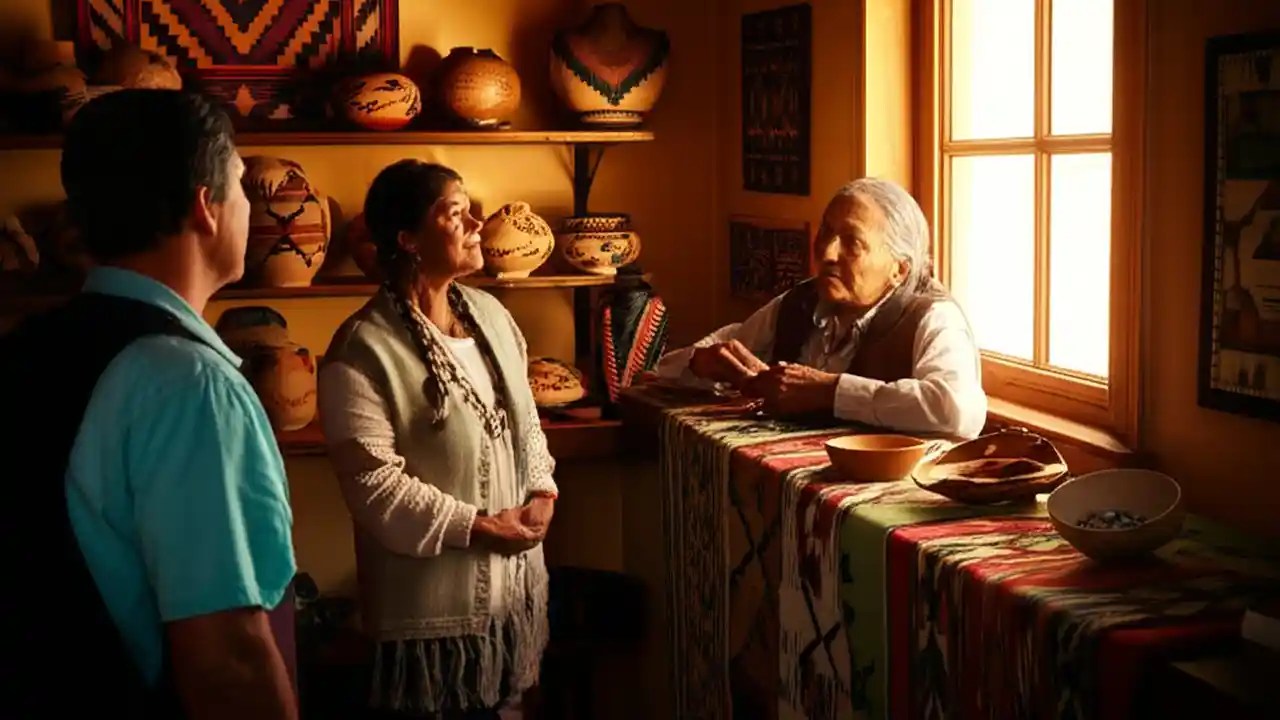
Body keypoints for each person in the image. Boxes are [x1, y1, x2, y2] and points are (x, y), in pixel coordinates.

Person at [0, 90, 297, 718]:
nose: (250, 206)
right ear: (205, 207)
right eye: (242, 185)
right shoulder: (189, 385)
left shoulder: (29, 345)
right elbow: (227, 660)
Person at [317, 160, 557, 718]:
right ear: (408, 239)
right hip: (431, 629)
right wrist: (480, 526)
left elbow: (526, 423)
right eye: (455, 213)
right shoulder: (362, 350)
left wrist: (542, 489)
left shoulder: (492, 316)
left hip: (513, 608)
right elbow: (375, 488)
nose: (476, 224)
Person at [655, 178, 987, 439]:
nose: (827, 253)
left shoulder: (933, 317)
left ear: (899, 269)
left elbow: (957, 411)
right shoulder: (801, 302)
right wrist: (702, 363)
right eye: (826, 231)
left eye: (852, 242)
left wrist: (830, 392)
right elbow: (670, 368)